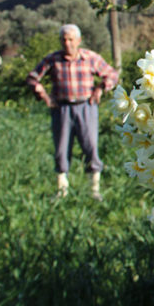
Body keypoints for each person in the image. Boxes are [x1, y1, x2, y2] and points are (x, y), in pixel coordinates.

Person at [27, 24, 119, 201]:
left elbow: (112, 74)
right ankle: (62, 191)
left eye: (70, 40)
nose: (67, 43)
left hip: (86, 106)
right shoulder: (53, 59)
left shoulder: (90, 58)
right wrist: (43, 95)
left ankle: (93, 190)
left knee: (90, 146)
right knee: (61, 148)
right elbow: (32, 78)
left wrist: (100, 88)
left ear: (78, 40)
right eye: (64, 40)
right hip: (62, 108)